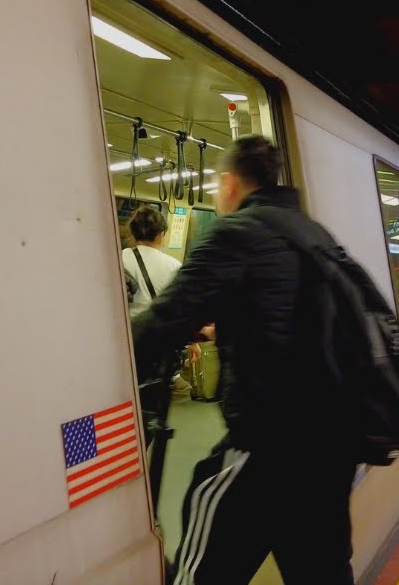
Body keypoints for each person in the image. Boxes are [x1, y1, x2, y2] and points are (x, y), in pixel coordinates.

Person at [132, 135, 359, 585]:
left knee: (200, 569)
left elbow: (163, 321)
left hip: (267, 443)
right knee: (322, 571)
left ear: (230, 183)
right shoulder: (315, 234)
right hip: (332, 443)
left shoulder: (236, 232)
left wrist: (108, 362)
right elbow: (290, 314)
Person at [123, 207, 183, 317]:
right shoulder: (174, 266)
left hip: (122, 327)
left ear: (133, 232)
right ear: (161, 234)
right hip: (153, 329)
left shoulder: (119, 258)